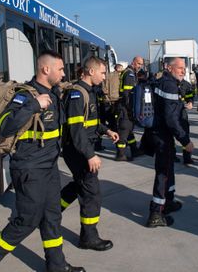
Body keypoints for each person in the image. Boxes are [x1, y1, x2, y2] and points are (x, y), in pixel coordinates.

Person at [0, 51, 85, 272]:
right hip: (29, 168)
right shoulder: (25, 96)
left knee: (52, 218)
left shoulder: (54, 94)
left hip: (49, 167)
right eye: (61, 68)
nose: (64, 73)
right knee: (28, 220)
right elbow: (5, 126)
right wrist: (33, 105)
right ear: (46, 69)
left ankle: (57, 265)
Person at [60, 56, 119, 251]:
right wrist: (89, 155)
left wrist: (106, 130)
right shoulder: (77, 94)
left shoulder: (88, 92)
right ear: (91, 72)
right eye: (102, 73)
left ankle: (51, 211)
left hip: (82, 147)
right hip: (78, 150)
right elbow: (77, 131)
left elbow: (90, 122)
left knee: (80, 184)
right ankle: (88, 237)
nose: (104, 77)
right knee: (91, 192)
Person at [145, 57, 194, 227]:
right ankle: (156, 213)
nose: (183, 71)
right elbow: (171, 119)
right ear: (169, 68)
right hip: (163, 135)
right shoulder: (170, 85)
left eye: (184, 68)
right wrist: (185, 140)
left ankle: (169, 201)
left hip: (160, 134)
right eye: (179, 67)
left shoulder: (162, 82)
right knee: (163, 173)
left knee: (168, 168)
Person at [114, 56, 144, 161]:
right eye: (139, 63)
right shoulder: (130, 74)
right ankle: (120, 154)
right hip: (125, 107)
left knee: (129, 129)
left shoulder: (130, 73)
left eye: (141, 64)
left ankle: (134, 150)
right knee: (124, 128)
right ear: (133, 62)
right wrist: (131, 108)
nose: (140, 66)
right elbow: (128, 94)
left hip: (125, 106)